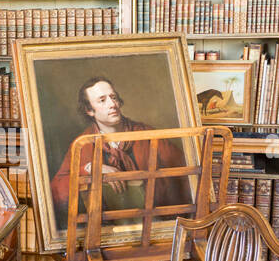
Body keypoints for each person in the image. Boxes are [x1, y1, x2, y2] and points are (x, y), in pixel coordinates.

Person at [48, 76, 190, 222]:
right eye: (102, 100)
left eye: (113, 97)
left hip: (155, 222)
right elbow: (56, 191)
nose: (112, 104)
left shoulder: (146, 134)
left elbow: (186, 171)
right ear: (89, 110)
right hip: (107, 229)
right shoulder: (82, 144)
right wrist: (90, 168)